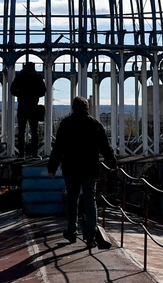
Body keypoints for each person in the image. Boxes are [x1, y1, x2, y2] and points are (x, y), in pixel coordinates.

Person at [47, 96, 115, 248]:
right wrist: (112, 164)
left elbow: (58, 147)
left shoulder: (66, 123)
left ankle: (71, 232)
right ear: (87, 108)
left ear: (73, 107)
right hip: (90, 169)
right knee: (90, 200)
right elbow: (105, 146)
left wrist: (52, 167)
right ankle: (91, 234)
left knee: (72, 200)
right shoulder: (95, 124)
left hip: (71, 168)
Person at [10, 58, 46, 154]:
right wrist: (35, 95)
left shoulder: (20, 77)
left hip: (22, 105)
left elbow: (12, 90)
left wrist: (20, 94)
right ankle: (34, 153)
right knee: (34, 130)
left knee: (21, 130)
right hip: (33, 105)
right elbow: (43, 90)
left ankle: (21, 153)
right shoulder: (37, 77)